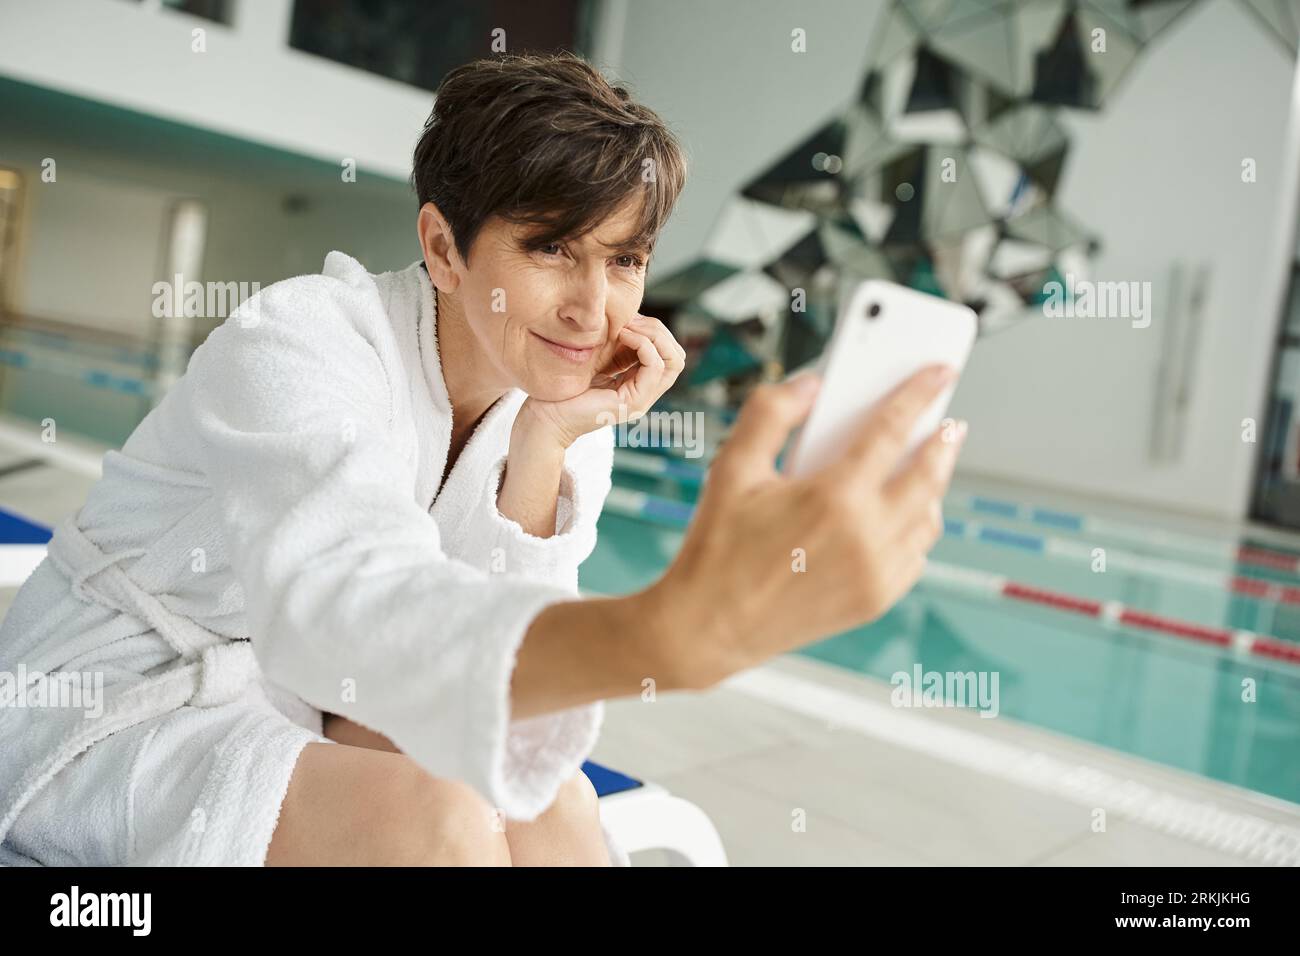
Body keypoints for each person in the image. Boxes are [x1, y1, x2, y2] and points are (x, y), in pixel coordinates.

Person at [0, 52, 966, 868]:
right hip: (113, 708)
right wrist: (668, 634)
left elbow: (495, 663)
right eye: (553, 249)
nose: (596, 308)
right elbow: (342, 608)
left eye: (625, 259)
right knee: (445, 823)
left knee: (561, 809)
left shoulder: (555, 396)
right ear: (444, 247)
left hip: (302, 702)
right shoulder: (299, 339)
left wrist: (543, 442)